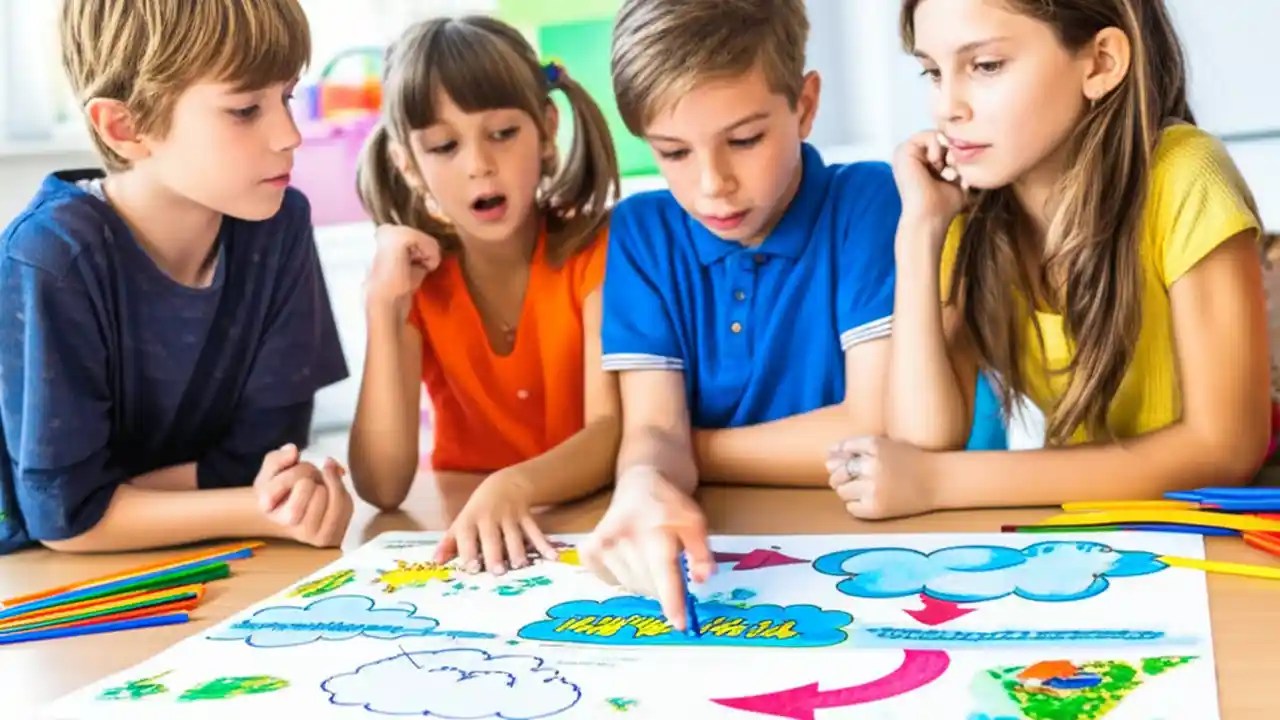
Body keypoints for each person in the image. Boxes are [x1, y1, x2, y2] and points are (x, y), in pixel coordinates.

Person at [579, 0, 1006, 627]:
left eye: (744, 140)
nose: (712, 183)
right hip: (745, 549)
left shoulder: (871, 202)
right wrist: (644, 481)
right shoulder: (642, 231)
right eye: (673, 152)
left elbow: (874, 428)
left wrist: (679, 452)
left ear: (805, 107)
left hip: (893, 547)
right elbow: (652, 432)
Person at [827, 0, 1270, 519]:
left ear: (1101, 62)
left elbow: (1225, 449)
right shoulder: (968, 213)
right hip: (1094, 534)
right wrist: (919, 232)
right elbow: (920, 439)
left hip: (1223, 535)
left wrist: (939, 483)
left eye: (986, 66)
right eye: (933, 72)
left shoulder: (1185, 175)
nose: (947, 107)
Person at [0, 0, 352, 554]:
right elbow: (66, 518)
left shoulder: (279, 225)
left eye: (286, 96)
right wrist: (262, 509)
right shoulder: (52, 257)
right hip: (42, 579)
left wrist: (122, 498)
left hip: (217, 559)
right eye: (244, 109)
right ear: (126, 126)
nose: (290, 135)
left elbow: (266, 454)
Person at [348, 16, 621, 576]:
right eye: (444, 146)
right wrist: (382, 307)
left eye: (502, 133)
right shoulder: (415, 283)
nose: (479, 165)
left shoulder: (598, 252)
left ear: (547, 130)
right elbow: (382, 485)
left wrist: (515, 484)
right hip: (469, 541)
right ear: (408, 165)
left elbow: (609, 433)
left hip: (594, 525)